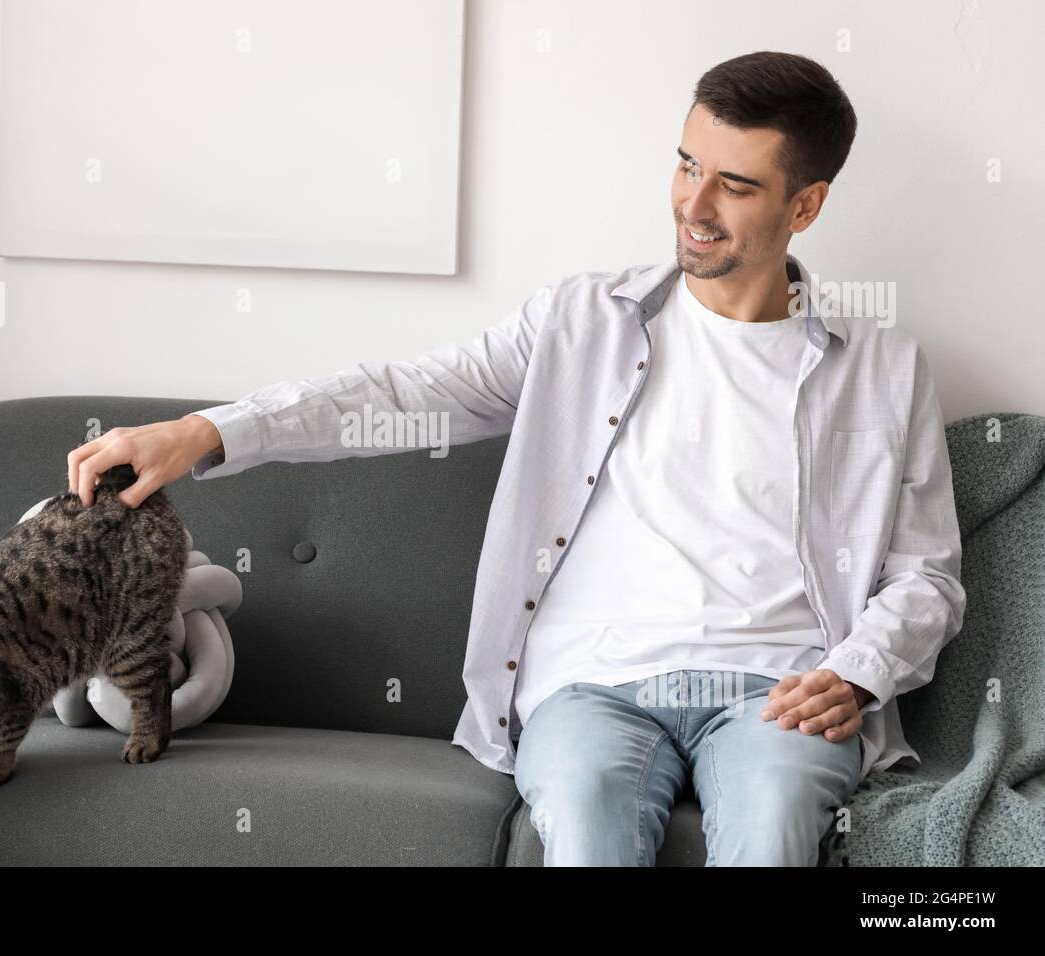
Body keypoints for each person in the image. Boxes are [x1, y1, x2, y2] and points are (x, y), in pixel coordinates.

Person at [67, 51, 965, 866]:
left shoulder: (883, 369)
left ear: (805, 205)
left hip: (781, 692)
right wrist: (206, 431)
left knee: (772, 831)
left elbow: (927, 577)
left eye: (734, 184)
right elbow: (400, 394)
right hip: (594, 687)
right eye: (687, 164)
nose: (692, 206)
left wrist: (858, 672)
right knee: (582, 825)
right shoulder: (584, 323)